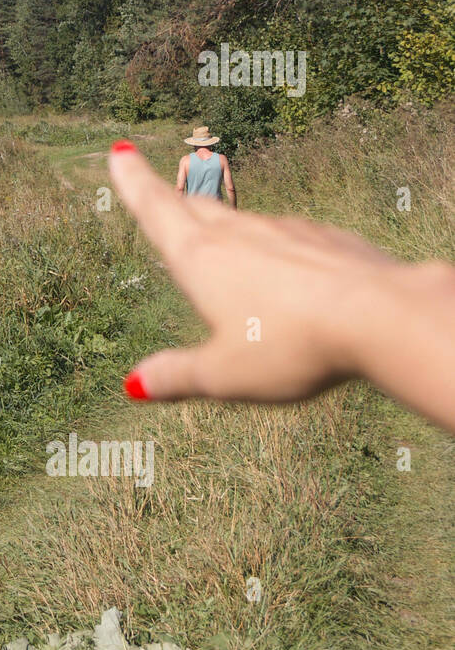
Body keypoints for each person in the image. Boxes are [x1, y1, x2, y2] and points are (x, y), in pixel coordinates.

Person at [108, 139, 455, 436]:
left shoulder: (184, 162)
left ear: (192, 143)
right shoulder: (222, 160)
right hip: (219, 217)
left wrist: (178, 208)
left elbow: (179, 190)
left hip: (195, 219)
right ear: (211, 145)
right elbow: (230, 188)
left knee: (201, 262)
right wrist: (234, 211)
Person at [176, 126, 236, 208]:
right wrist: (233, 209)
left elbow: (180, 188)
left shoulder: (185, 160)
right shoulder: (222, 159)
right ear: (210, 142)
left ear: (194, 143)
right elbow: (230, 188)